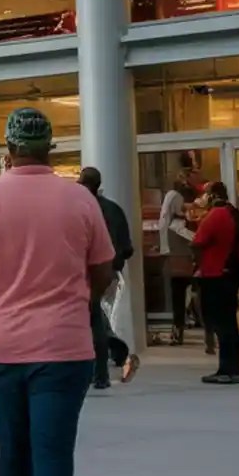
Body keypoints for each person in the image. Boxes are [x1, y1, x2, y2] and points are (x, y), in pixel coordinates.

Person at [0, 108, 115, 476]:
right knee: (52, 452)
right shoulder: (81, 200)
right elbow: (103, 271)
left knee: (14, 447)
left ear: (9, 148)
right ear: (49, 148)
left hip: (1, 350)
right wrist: (82, 302)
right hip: (65, 347)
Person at [77, 167, 138, 389]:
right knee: (99, 317)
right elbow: (128, 246)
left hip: (88, 271)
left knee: (94, 318)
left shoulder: (83, 209)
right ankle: (103, 367)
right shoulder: (114, 209)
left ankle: (101, 366)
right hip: (112, 271)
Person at [190, 181, 239, 384]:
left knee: (220, 323)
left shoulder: (216, 215)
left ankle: (227, 369)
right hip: (230, 272)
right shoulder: (233, 213)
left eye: (205, 194)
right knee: (230, 323)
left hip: (216, 273)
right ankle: (234, 367)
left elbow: (198, 242)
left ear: (213, 195)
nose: (203, 198)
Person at [160, 180, 199, 345]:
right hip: (184, 265)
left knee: (178, 301)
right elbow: (196, 239)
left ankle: (178, 331)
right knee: (183, 300)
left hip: (175, 265)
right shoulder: (178, 225)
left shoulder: (168, 225)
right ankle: (180, 330)